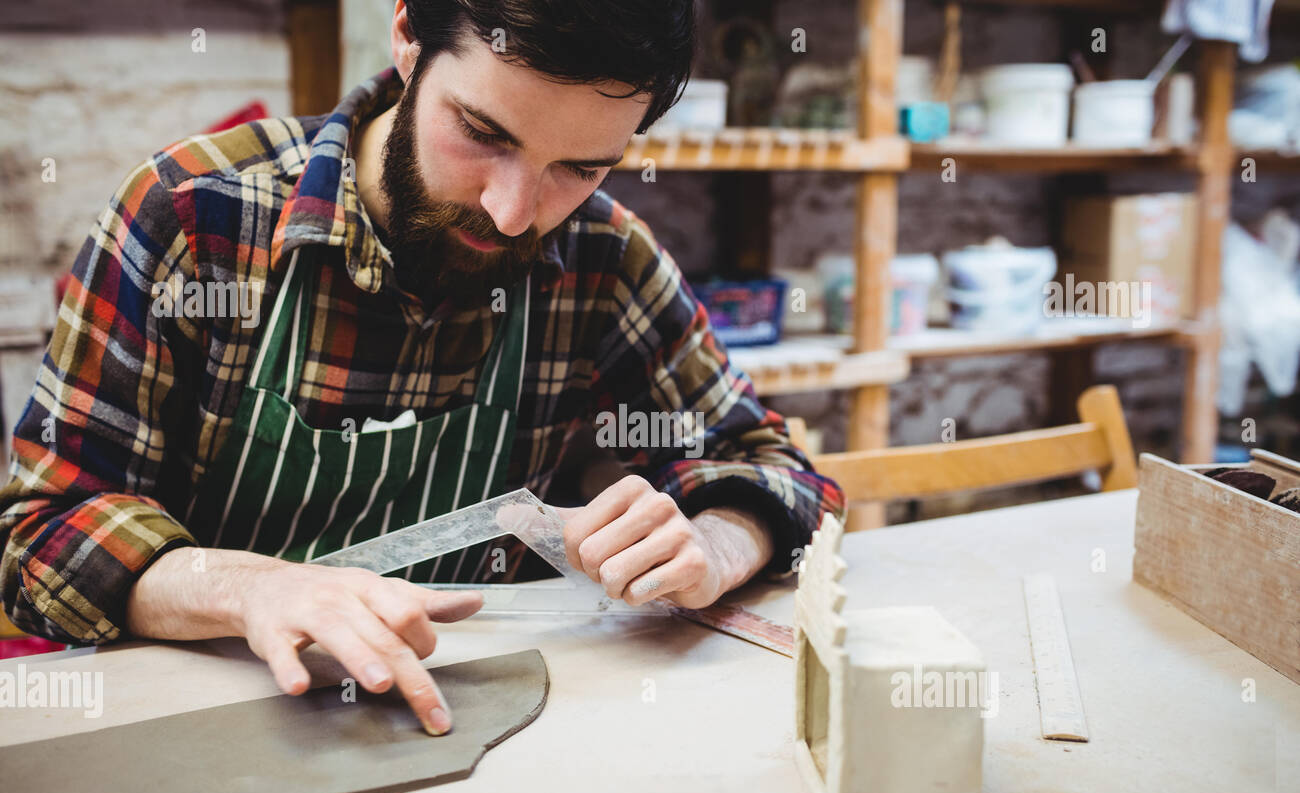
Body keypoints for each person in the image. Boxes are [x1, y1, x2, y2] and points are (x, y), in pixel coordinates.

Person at [0, 0, 843, 735]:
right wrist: (247, 589)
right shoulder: (195, 218)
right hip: (200, 716)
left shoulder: (603, 257)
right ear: (406, 34)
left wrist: (714, 543)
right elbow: (38, 538)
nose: (514, 212)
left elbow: (776, 469)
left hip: (473, 717)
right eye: (483, 134)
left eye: (580, 167)